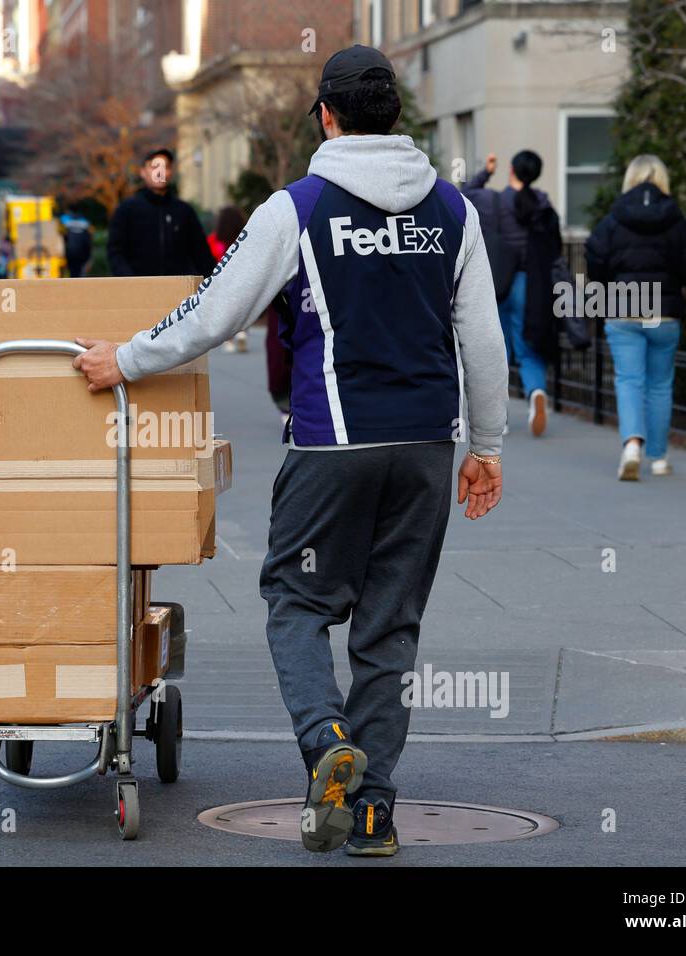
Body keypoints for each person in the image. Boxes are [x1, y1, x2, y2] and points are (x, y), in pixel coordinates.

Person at [75, 45, 508, 858]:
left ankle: (326, 741)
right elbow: (482, 342)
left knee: (296, 601)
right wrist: (485, 446)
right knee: (390, 628)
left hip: (332, 446)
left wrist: (123, 360)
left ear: (326, 117)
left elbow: (214, 312)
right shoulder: (455, 211)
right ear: (396, 120)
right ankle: (373, 810)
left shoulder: (297, 208)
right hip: (423, 448)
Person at [586, 154, 686, 480]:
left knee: (629, 380)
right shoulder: (676, 219)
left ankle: (632, 445)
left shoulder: (615, 218)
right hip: (664, 313)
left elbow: (595, 258)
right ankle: (660, 457)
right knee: (660, 385)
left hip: (623, 309)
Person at [463, 150, 563, 437]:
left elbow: (465, 193)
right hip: (531, 284)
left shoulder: (495, 200)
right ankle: (537, 393)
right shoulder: (542, 203)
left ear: (512, 170)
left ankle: (500, 418)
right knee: (528, 344)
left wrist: (486, 172)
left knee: (499, 349)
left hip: (497, 281)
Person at [107, 147, 216, 278]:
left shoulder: (184, 211)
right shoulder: (126, 210)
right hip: (138, 290)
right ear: (143, 172)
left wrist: (215, 284)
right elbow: (115, 252)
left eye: (166, 167)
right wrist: (129, 281)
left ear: (171, 172)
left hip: (179, 292)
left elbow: (202, 255)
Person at [209, 206, 251, 352]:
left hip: (224, 280)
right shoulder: (246, 237)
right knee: (244, 306)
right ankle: (242, 332)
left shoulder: (215, 240)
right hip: (243, 276)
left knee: (226, 309)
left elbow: (211, 260)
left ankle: (229, 340)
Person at [62, 212, 94, 278]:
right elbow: (89, 241)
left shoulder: (66, 221)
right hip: (83, 255)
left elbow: (64, 239)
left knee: (72, 274)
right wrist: (89, 259)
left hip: (70, 254)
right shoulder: (85, 223)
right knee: (81, 275)